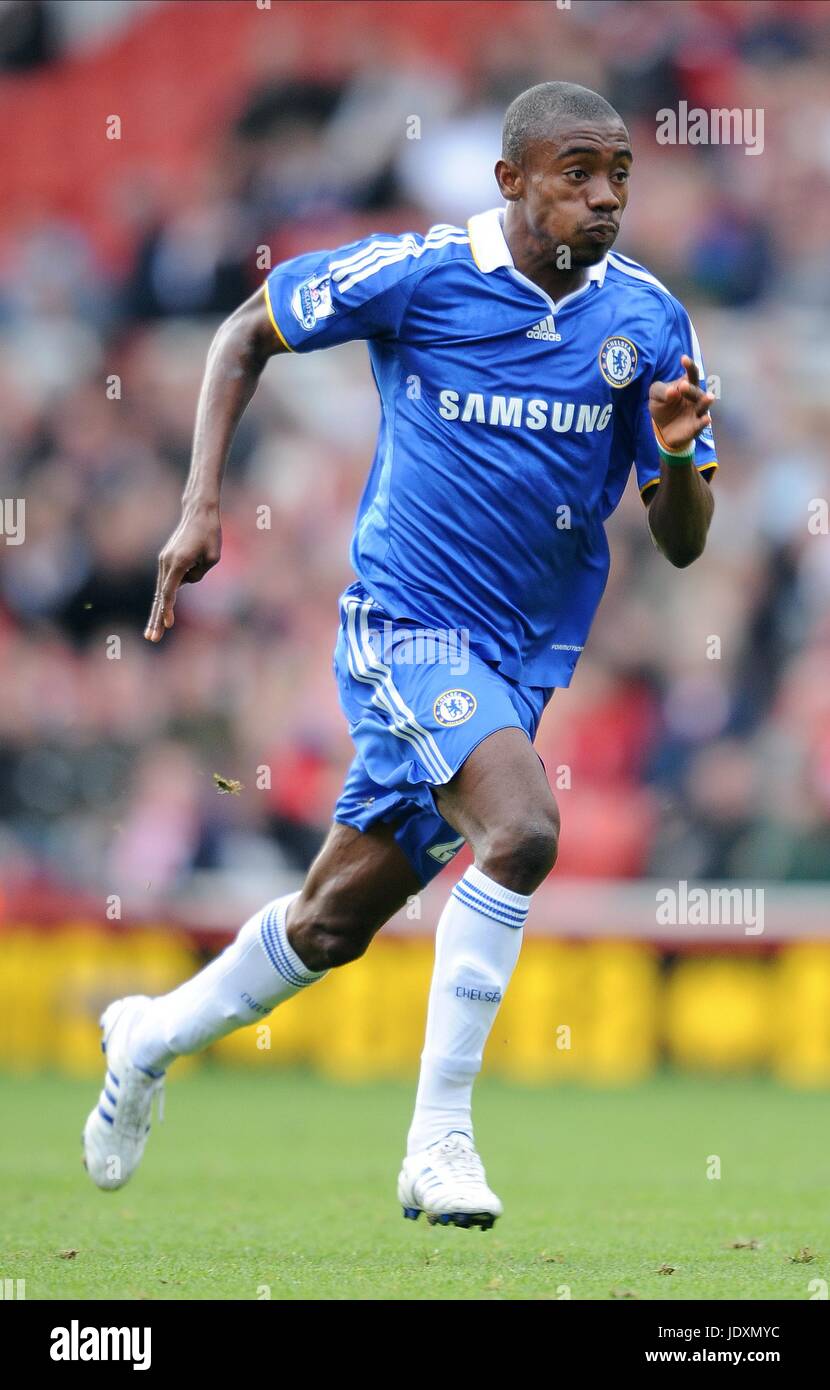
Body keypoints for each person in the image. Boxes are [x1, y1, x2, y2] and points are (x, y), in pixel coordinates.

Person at [83, 82, 717, 1229]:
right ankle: (438, 1143)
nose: (604, 195)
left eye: (618, 173)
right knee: (522, 828)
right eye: (576, 171)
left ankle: (145, 1035)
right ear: (509, 179)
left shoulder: (647, 323)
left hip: (520, 666)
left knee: (330, 922)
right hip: (403, 630)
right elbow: (246, 330)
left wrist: (671, 459)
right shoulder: (421, 275)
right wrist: (199, 506)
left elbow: (680, 544)